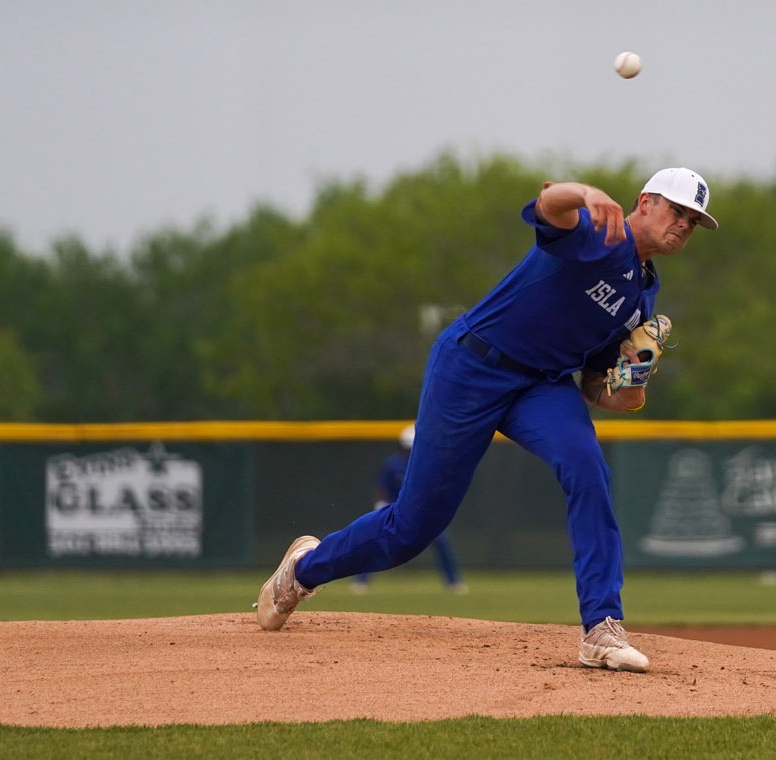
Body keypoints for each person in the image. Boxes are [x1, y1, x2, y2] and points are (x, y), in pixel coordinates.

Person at [256, 167, 719, 673]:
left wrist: (629, 388)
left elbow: (594, 388)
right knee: (412, 528)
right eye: (678, 211)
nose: (684, 226)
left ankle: (602, 629)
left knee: (587, 467)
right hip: (472, 366)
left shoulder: (643, 296)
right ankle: (304, 571)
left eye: (693, 222)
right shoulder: (599, 235)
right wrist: (584, 192)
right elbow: (548, 206)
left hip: (540, 385)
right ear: (646, 202)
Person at [350, 424, 466, 593]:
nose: (409, 451)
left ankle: (453, 581)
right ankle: (361, 580)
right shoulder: (392, 464)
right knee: (375, 541)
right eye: (406, 448)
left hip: (423, 512)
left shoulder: (428, 463)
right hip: (396, 511)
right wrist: (381, 504)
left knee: (442, 542)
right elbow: (382, 487)